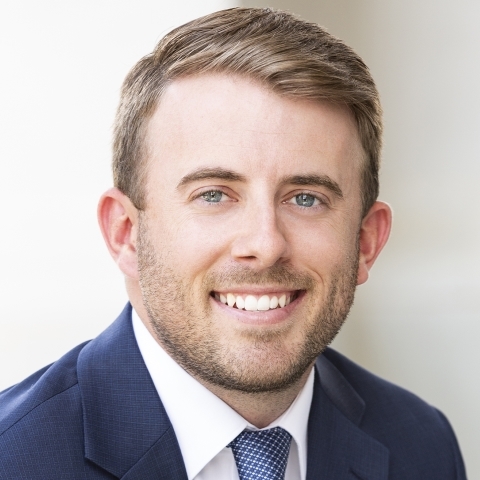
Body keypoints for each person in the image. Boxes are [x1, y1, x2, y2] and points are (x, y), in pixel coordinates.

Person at [0, 7, 466, 480]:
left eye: (306, 198)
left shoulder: (421, 445)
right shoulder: (13, 458)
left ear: (366, 241)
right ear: (126, 233)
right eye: (214, 195)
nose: (265, 244)